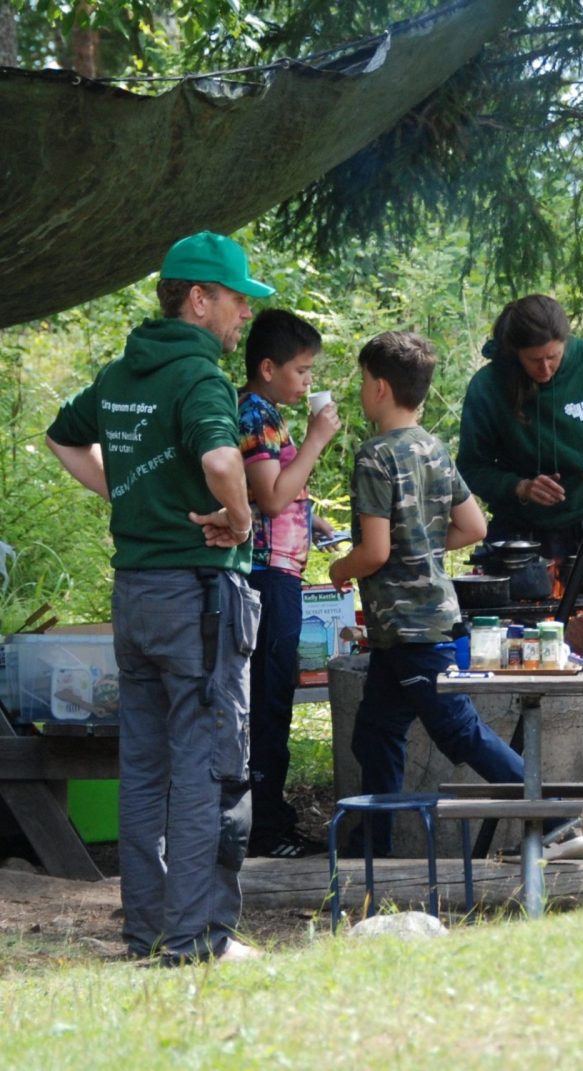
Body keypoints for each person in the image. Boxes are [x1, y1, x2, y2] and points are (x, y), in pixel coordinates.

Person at [45, 230, 271, 964]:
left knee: (143, 768)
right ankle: (199, 938)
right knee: (207, 764)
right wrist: (239, 518)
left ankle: (147, 933)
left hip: (135, 593)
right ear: (199, 298)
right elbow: (217, 457)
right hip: (197, 596)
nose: (243, 315)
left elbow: (62, 437)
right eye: (237, 299)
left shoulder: (120, 374)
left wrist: (127, 491)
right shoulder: (199, 376)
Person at [327, 331, 526, 857]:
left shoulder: (375, 456)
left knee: (459, 733)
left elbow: (372, 552)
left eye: (365, 381)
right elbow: (474, 526)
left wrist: (339, 568)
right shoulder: (433, 447)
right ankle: (370, 852)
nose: (363, 390)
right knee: (375, 735)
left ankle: (550, 814)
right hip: (402, 632)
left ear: (381, 388)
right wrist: (424, 550)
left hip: (413, 628)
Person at [237, 309, 341, 858]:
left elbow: (274, 494)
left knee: (274, 697)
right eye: (301, 371)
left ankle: (269, 820)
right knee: (268, 701)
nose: (308, 381)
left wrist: (310, 515)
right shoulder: (256, 413)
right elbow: (272, 495)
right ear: (269, 367)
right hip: (264, 576)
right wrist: (317, 441)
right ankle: (264, 831)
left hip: (279, 570)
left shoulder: (267, 412)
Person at [456, 295, 583, 561]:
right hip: (518, 531)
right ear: (516, 353)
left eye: (553, 356)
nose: (545, 368)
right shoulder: (488, 386)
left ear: (566, 343)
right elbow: (471, 468)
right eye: (534, 359)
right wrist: (521, 487)